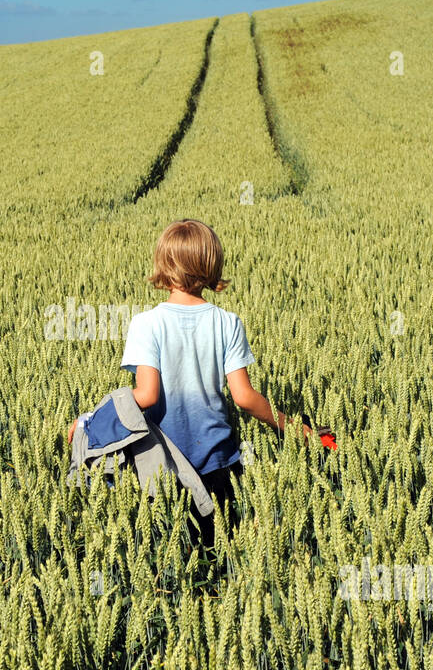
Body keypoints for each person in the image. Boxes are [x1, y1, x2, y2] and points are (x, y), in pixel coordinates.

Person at [68, 219, 316, 555]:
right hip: (219, 462)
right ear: (212, 267)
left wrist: (89, 422)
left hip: (164, 468)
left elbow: (146, 396)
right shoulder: (228, 322)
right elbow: (244, 398)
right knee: (223, 556)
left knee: (176, 558)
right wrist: (297, 429)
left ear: (163, 267)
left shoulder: (146, 324)